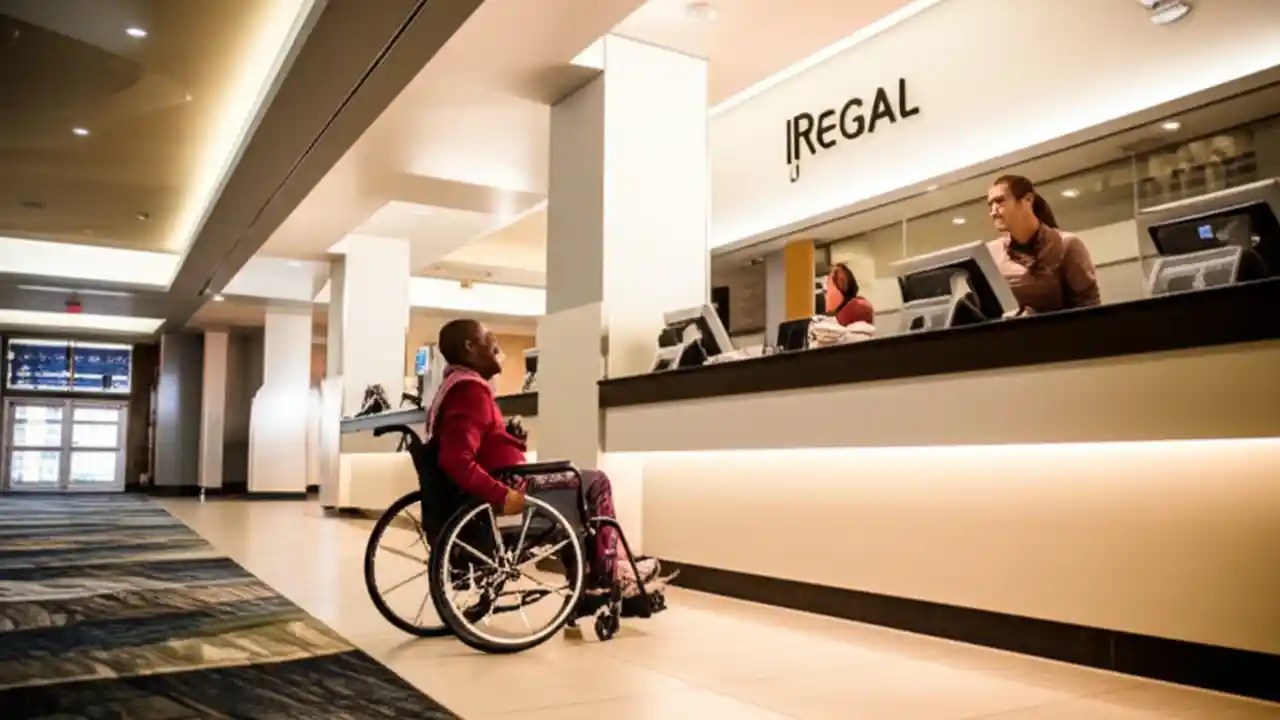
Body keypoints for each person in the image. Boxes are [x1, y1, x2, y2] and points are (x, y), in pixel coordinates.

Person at [425, 318, 658, 596]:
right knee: (595, 484)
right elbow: (456, 460)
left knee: (578, 500)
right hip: (510, 488)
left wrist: (507, 439)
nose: (496, 343)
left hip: (502, 483)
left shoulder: (455, 386)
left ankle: (598, 574)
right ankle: (609, 577)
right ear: (469, 347)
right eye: (489, 336)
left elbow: (471, 445)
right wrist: (503, 496)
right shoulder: (469, 391)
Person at [986, 174, 1101, 314]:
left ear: (1027, 200)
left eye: (999, 201)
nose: (993, 212)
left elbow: (1089, 306)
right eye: (990, 204)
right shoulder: (992, 253)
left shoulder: (1066, 244)